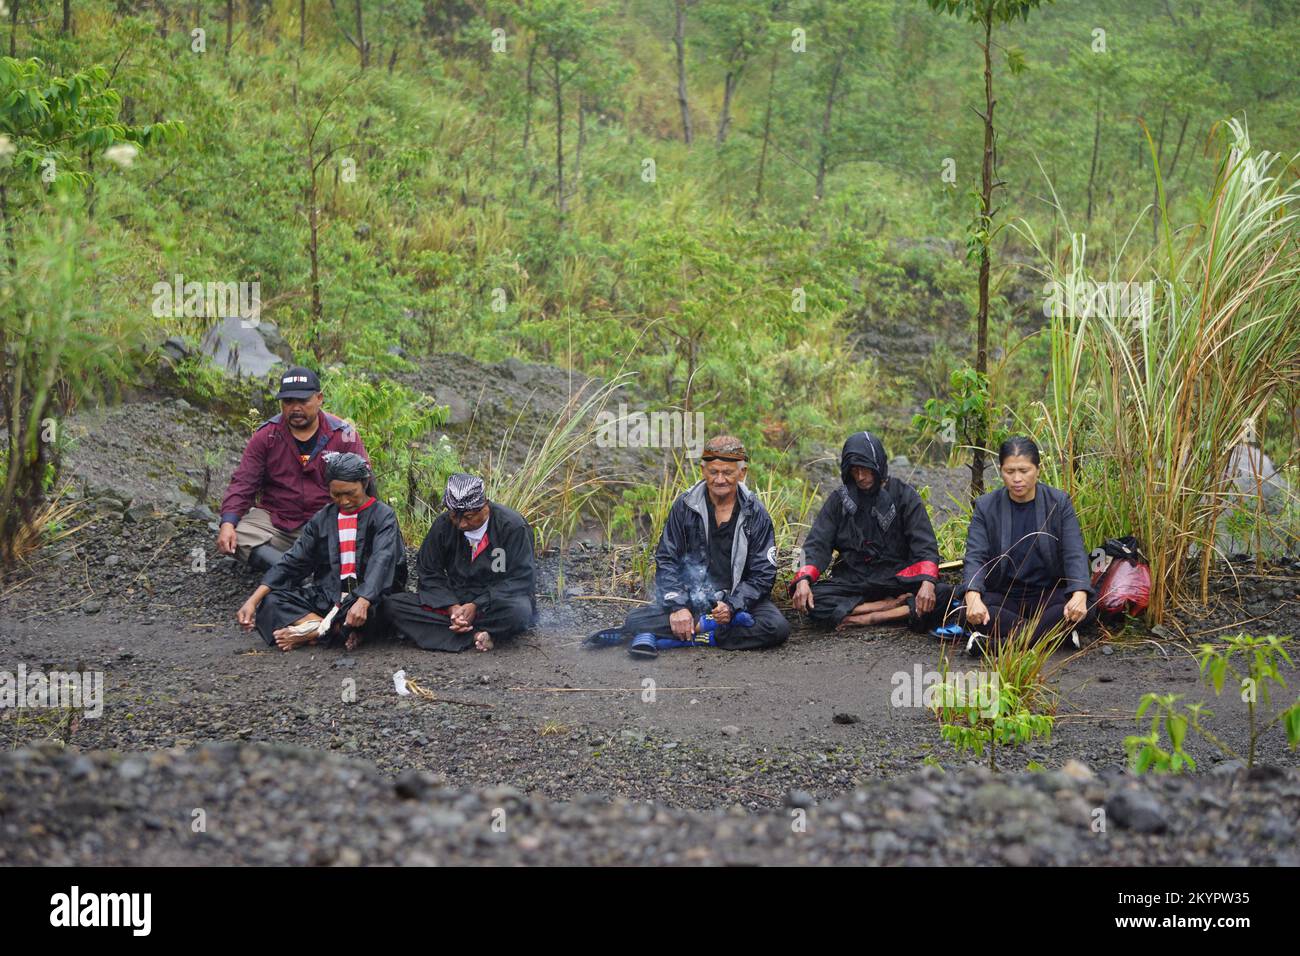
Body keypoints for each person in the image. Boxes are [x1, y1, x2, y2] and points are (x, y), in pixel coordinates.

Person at [585, 435, 791, 659]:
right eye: (713, 472)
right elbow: (667, 559)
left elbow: (763, 573)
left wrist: (732, 606)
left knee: (776, 627)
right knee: (635, 619)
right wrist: (677, 606)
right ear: (703, 470)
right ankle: (703, 628)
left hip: (736, 602)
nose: (720, 479)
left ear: (742, 473)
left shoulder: (756, 513)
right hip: (692, 599)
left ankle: (697, 634)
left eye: (728, 472)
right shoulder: (685, 507)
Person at [235, 452, 406, 651]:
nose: (344, 501)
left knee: (387, 610)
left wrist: (364, 600)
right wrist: (253, 601)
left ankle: (313, 631)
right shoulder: (323, 518)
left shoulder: (383, 516)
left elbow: (382, 561)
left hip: (369, 597)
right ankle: (327, 629)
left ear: (365, 483)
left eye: (350, 493)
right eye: (336, 494)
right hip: (332, 595)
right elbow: (293, 560)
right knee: (272, 601)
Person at [790, 431, 950, 632]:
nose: (860, 477)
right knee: (812, 599)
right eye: (855, 471)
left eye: (866, 470)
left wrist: (927, 584)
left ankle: (866, 618)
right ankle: (887, 608)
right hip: (855, 580)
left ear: (879, 466)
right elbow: (817, 543)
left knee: (943, 594)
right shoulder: (840, 500)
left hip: (897, 579)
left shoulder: (904, 496)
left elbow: (924, 544)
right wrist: (803, 581)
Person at [217, 366, 370, 571]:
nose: (295, 408)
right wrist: (227, 523)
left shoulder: (343, 435)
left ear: (319, 398)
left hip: (327, 521)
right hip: (277, 520)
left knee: (358, 544)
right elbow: (244, 483)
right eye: (288, 402)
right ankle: (292, 571)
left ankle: (294, 567)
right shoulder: (266, 436)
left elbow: (364, 481)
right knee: (240, 536)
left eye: (303, 401)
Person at [961, 436, 1096, 655]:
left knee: (1087, 604)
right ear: (1001, 470)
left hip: (1047, 595)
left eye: (1024, 471)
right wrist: (973, 597)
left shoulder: (1058, 502)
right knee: (964, 608)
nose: (1016, 479)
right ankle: (1052, 637)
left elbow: (1074, 552)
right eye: (1009, 471)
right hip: (1005, 596)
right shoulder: (986, 506)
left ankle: (998, 645)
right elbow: (975, 555)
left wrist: (1079, 594)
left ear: (1037, 469)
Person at [381, 474, 536, 653]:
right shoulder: (443, 525)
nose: (461, 524)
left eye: (469, 517)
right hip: (455, 600)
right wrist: (452, 608)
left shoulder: (512, 526)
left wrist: (476, 605)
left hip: (493, 602)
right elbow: (429, 572)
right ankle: (477, 635)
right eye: (455, 516)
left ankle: (451, 631)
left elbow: (521, 578)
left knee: (519, 611)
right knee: (393, 605)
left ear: (484, 506)